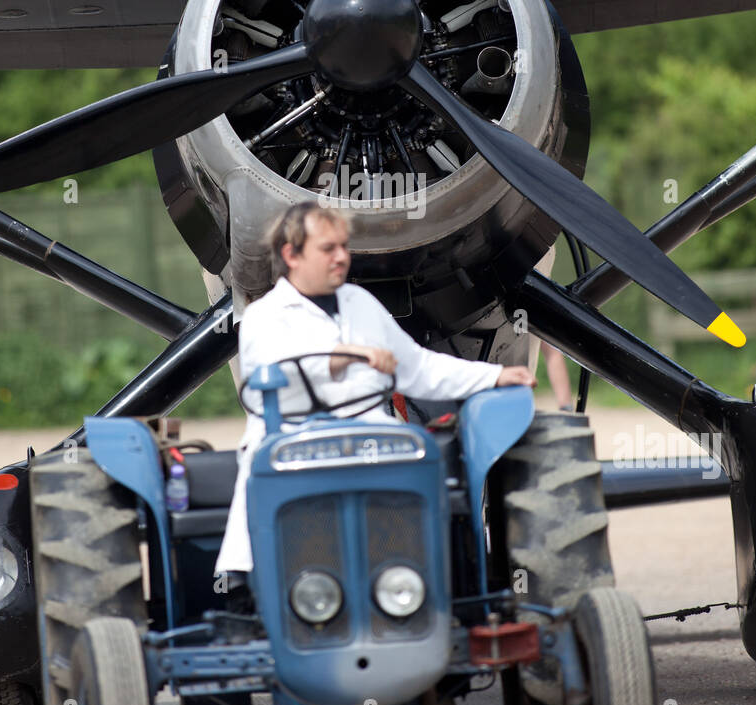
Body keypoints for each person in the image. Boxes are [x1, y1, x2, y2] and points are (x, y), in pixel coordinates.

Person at [214, 200, 536, 581]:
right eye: (328, 249)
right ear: (291, 254)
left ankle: (448, 569)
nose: (341, 258)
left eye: (344, 247)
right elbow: (274, 374)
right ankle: (243, 577)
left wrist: (492, 377)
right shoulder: (262, 317)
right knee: (259, 465)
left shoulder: (361, 304)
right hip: (291, 443)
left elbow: (417, 368)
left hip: (371, 438)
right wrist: (349, 356)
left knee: (428, 460)